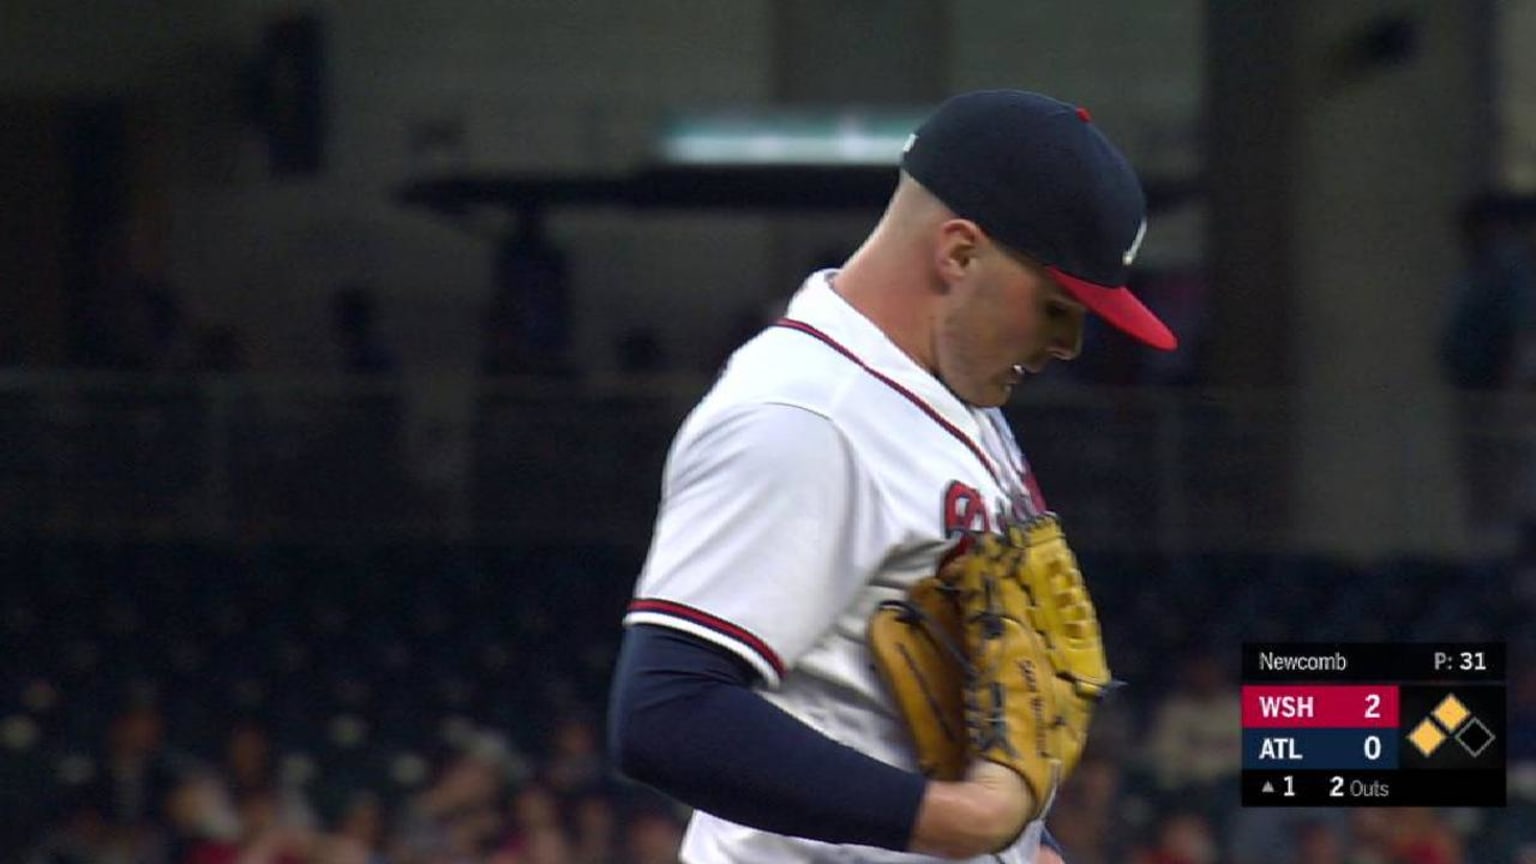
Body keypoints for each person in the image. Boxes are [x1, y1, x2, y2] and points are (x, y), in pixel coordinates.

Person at [607, 90, 1178, 864]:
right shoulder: (806, 415)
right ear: (960, 253)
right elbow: (666, 714)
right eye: (1057, 306)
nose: (1071, 344)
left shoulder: (956, 387)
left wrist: (1022, 847)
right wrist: (965, 821)